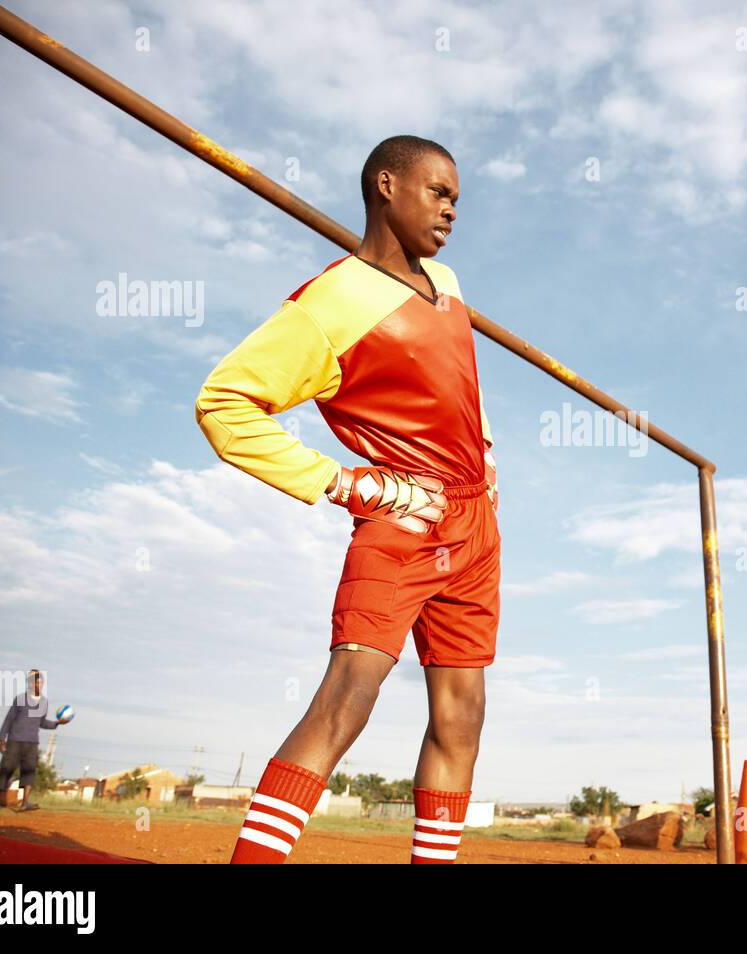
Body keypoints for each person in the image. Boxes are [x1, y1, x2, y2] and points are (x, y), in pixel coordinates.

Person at [195, 135, 501, 864]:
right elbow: (224, 403)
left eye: (457, 197)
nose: (452, 208)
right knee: (347, 699)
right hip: (404, 523)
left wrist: (486, 453)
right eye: (438, 192)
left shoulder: (448, 282)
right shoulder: (330, 301)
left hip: (476, 523)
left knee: (463, 717)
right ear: (385, 186)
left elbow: (456, 381)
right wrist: (348, 483)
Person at [0, 670, 70, 812]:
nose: (38, 684)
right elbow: (9, 719)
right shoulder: (20, 699)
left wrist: (57, 723)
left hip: (32, 742)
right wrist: (2, 739)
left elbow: (42, 722)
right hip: (15, 740)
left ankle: (25, 803)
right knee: (6, 769)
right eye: (35, 682)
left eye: (41, 682)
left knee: (29, 771)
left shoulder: (44, 702)